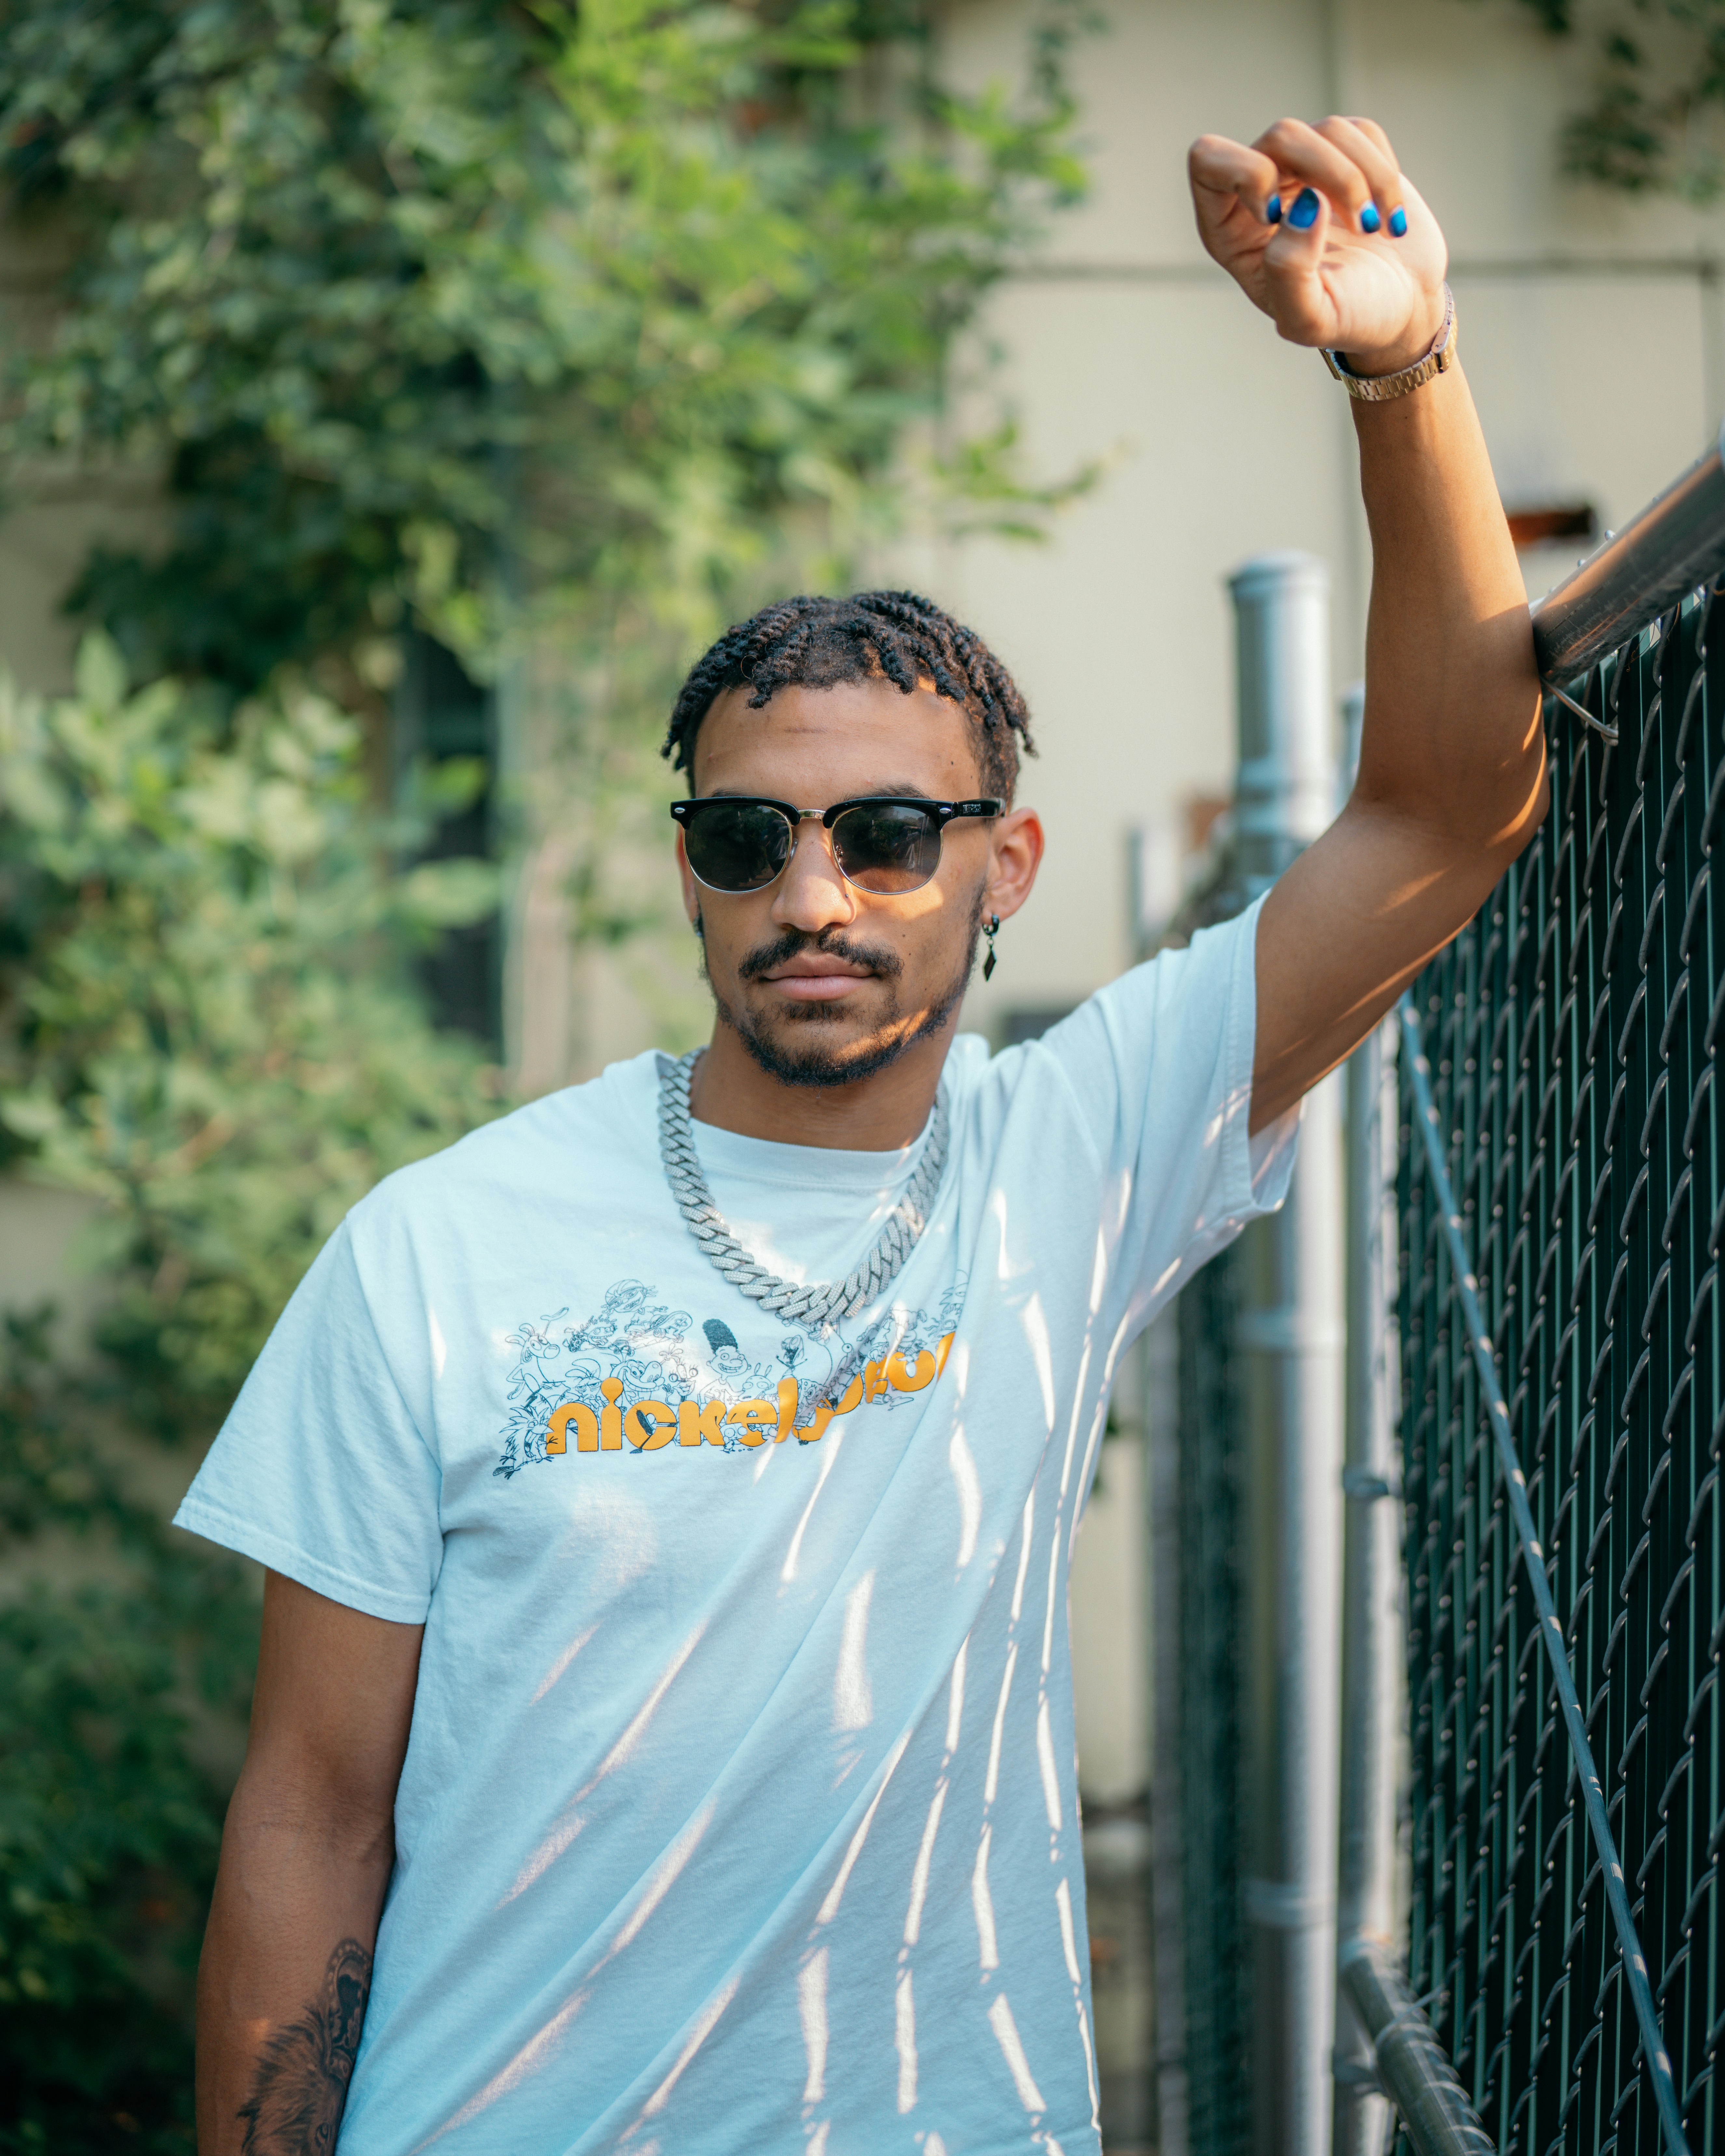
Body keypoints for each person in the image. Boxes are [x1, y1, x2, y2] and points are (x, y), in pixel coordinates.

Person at [179, 114, 1544, 2156]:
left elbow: (1442, 809)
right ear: (692, 875)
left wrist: (1400, 366)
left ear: (1001, 867)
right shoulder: (438, 1243)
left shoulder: (1070, 1149)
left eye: (887, 836)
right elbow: (307, 1806)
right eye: (752, 838)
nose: (814, 892)